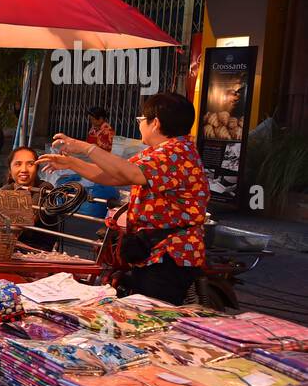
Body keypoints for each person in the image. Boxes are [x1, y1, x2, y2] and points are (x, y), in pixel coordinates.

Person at [37, 91, 208, 305]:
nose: (139, 124)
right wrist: (71, 163)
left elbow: (131, 174)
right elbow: (114, 175)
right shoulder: (158, 152)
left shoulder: (176, 153)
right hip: (153, 250)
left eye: (141, 119)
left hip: (170, 254)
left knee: (156, 316)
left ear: (155, 123)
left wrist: (85, 148)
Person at [0, 146, 57, 250]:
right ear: (10, 168)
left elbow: (28, 218)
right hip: (10, 247)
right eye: (18, 164)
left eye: (30, 164)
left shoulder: (45, 188)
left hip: (37, 249)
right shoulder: (7, 189)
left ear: (37, 168)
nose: (24, 169)